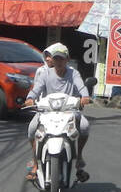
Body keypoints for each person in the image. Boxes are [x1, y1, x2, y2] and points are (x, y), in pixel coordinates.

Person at [24, 43, 92, 183]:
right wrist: (30, 98)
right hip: (47, 111)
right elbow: (36, 89)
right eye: (56, 59)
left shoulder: (73, 73)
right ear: (52, 60)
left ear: (67, 59)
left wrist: (85, 97)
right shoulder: (45, 74)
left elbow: (81, 87)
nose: (58, 62)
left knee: (84, 126)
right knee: (31, 129)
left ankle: (78, 158)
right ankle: (36, 163)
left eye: (61, 59)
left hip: (69, 110)